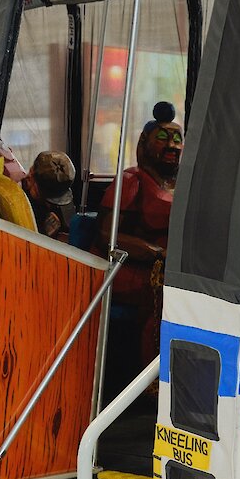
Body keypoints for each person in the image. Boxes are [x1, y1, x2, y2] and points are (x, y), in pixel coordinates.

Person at [94, 101, 184, 369]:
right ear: (145, 143)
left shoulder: (182, 184)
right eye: (162, 139)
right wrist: (156, 254)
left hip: (170, 266)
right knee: (161, 290)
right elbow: (108, 236)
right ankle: (151, 376)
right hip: (126, 267)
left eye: (178, 139)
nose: (173, 146)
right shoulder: (131, 181)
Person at [24, 150, 77, 241]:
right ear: (30, 177)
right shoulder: (20, 203)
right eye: (44, 196)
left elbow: (70, 229)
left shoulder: (61, 202)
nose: (49, 205)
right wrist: (43, 234)